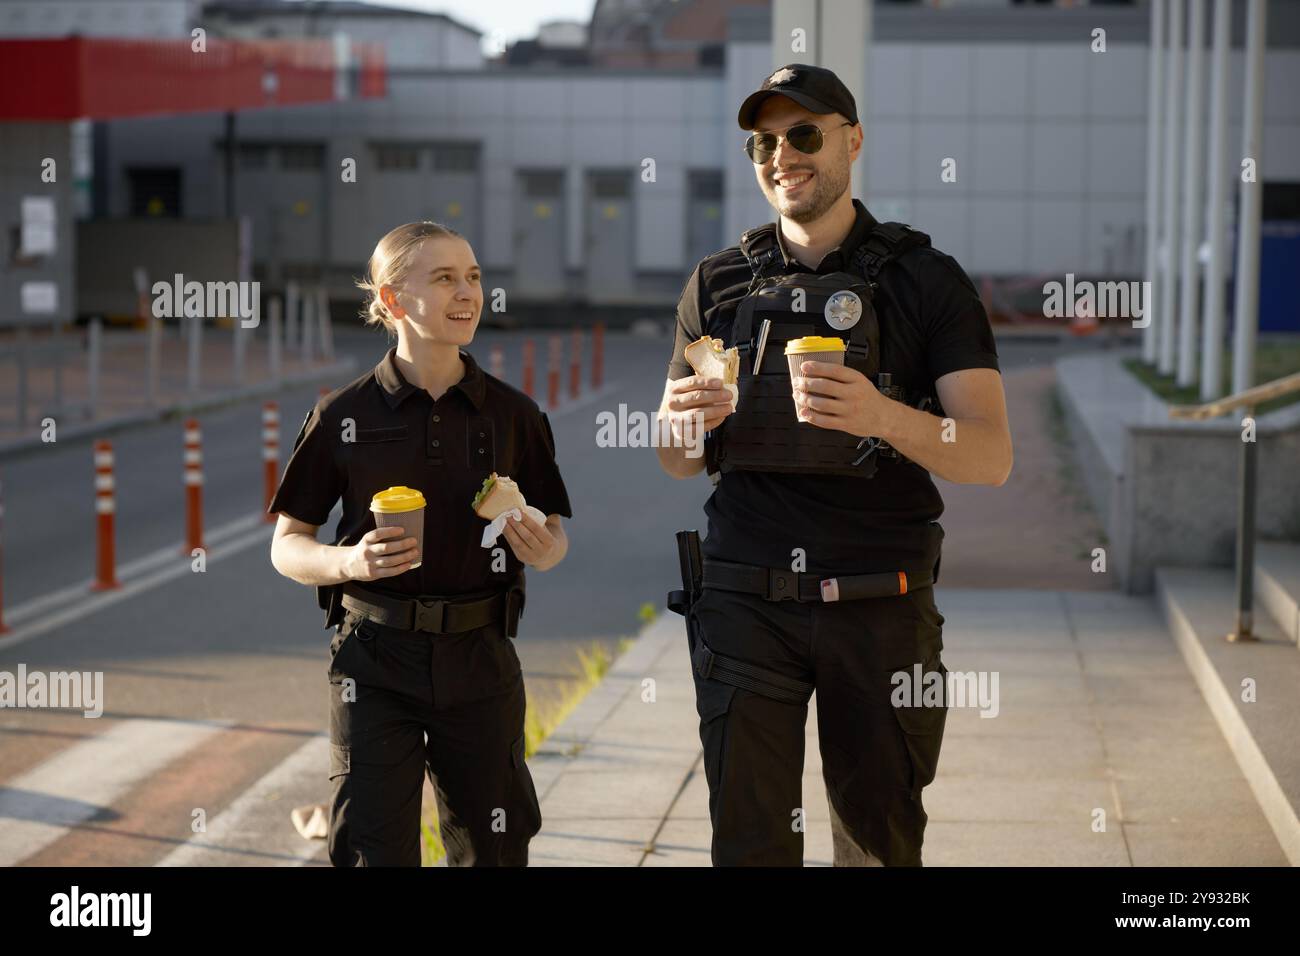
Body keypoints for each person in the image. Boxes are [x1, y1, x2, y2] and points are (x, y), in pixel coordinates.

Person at [659, 64, 1012, 866]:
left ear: (853, 140)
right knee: (749, 847)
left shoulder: (927, 279)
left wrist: (882, 416)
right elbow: (675, 460)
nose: (782, 155)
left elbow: (990, 456)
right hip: (745, 598)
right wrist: (685, 424)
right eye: (763, 143)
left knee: (878, 843)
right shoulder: (716, 282)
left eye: (804, 134)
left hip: (880, 605)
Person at [268, 220, 572, 866]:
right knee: (373, 854)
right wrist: (347, 561)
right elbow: (287, 543)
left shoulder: (514, 415)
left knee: (495, 850)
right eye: (445, 278)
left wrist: (542, 549)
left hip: (482, 657)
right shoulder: (342, 415)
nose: (468, 293)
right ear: (393, 298)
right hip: (373, 662)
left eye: (474, 277)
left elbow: (554, 534)